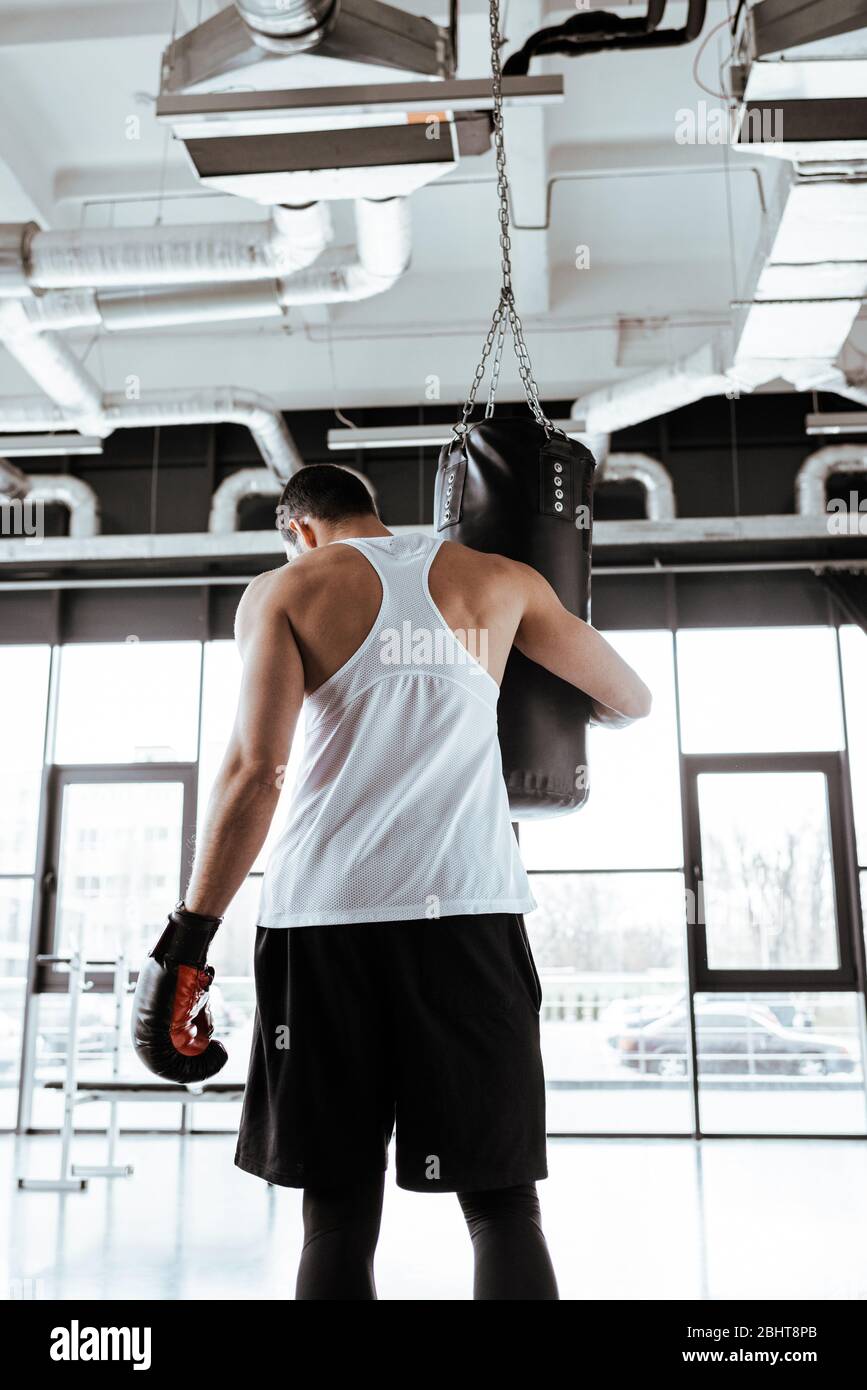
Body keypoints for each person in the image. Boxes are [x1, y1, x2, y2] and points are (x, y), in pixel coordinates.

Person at [181, 462, 652, 1300]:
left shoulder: (287, 590)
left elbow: (258, 773)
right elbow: (630, 699)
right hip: (468, 917)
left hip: (322, 920)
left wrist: (189, 935)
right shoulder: (500, 579)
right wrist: (561, 718)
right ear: (372, 510)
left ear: (298, 529)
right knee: (503, 1206)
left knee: (336, 1211)